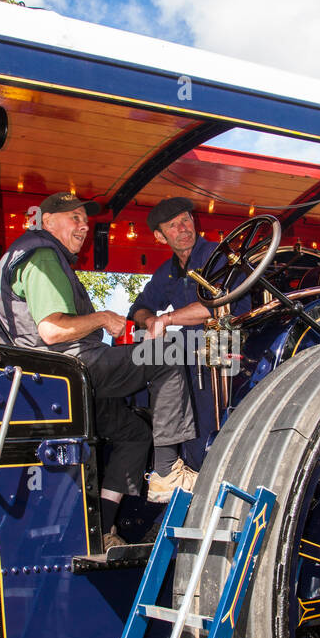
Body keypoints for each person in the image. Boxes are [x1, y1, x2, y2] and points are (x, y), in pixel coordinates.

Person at [0, 193, 198, 549]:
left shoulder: (32, 254)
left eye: (84, 219)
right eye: (73, 217)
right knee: (166, 353)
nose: (83, 225)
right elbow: (52, 330)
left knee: (134, 433)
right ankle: (167, 472)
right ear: (48, 222)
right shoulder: (41, 255)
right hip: (69, 368)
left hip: (57, 379)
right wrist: (104, 318)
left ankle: (102, 530)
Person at [130, 197, 245, 469]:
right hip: (193, 345)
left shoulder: (216, 255)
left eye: (186, 220)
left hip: (230, 342)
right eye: (173, 225)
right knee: (137, 355)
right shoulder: (167, 272)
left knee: (202, 411)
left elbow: (220, 304)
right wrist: (151, 321)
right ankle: (156, 455)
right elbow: (139, 307)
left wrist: (167, 319)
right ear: (160, 237)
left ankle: (200, 467)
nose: (183, 228)